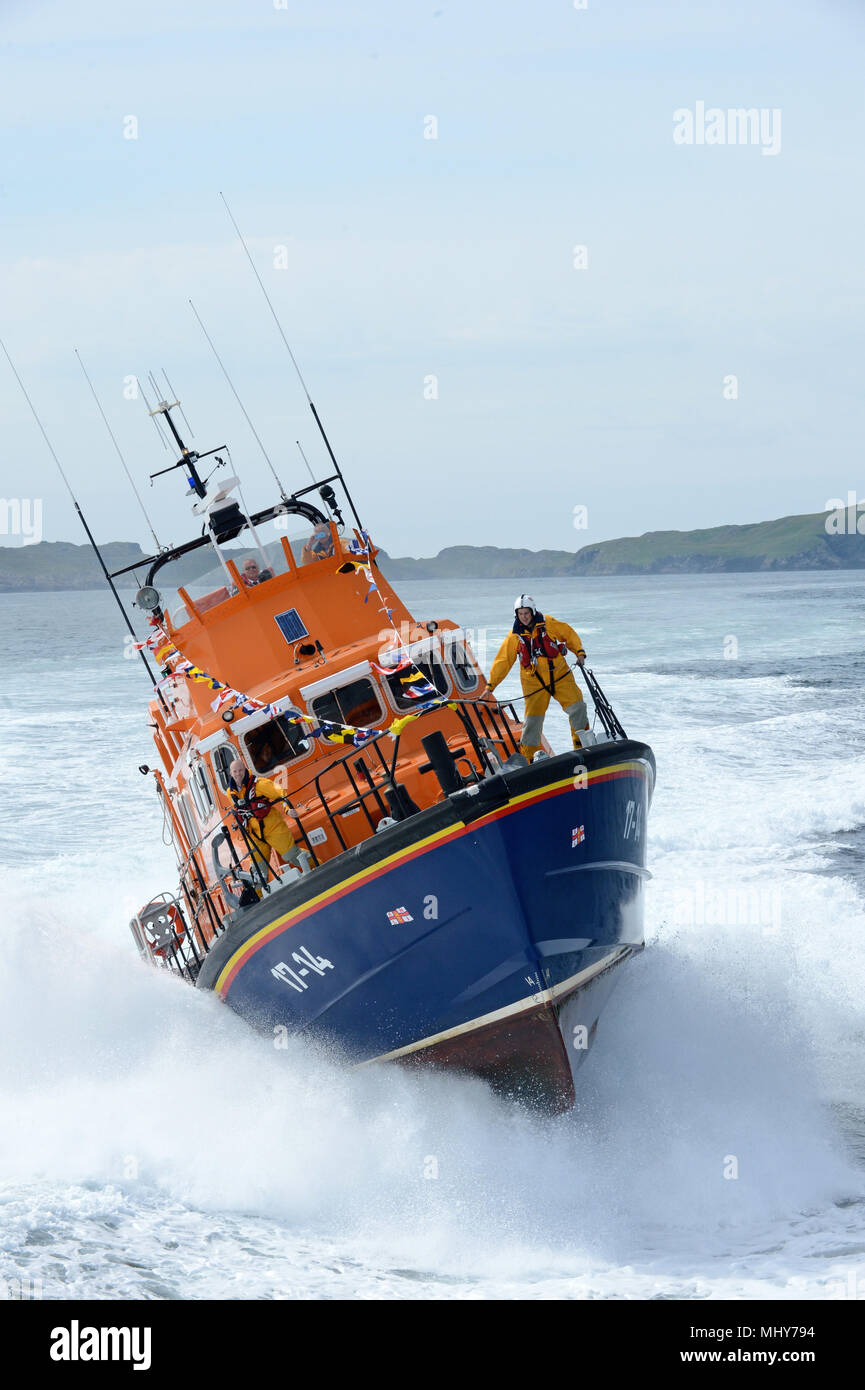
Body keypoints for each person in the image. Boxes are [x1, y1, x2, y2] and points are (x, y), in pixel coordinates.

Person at [486, 595, 590, 761]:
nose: (524, 617)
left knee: (578, 708)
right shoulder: (514, 636)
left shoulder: (549, 623)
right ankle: (529, 760)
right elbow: (503, 662)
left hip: (560, 676)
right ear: (516, 615)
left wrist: (579, 652)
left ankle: (583, 747)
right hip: (533, 684)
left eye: (526, 613)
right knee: (532, 723)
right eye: (520, 614)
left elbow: (568, 634)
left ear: (532, 611)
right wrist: (490, 687)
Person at [228, 758, 302, 871]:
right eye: (235, 771)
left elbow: (280, 793)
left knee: (294, 856)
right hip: (254, 835)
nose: (238, 774)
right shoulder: (230, 793)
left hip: (273, 827)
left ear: (245, 770)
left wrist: (287, 809)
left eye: (240, 770)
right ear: (230, 773)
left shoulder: (260, 784)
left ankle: (319, 867)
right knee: (257, 873)